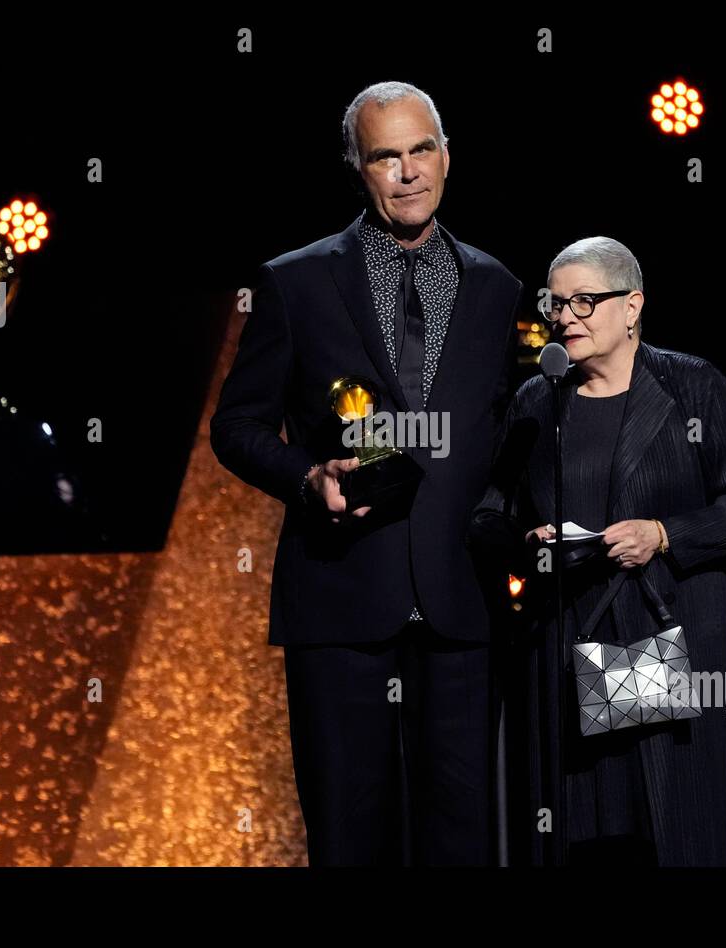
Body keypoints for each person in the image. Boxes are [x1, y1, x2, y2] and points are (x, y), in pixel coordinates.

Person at [210, 81, 523, 865]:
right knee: (349, 835)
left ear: (447, 157)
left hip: (462, 605)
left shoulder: (498, 287)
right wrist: (307, 477)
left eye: (422, 150)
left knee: (464, 836)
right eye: (387, 156)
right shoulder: (295, 280)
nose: (409, 171)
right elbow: (237, 427)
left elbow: (503, 437)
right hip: (341, 596)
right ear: (358, 168)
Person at [470, 236, 726, 866]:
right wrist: (530, 544)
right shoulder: (538, 401)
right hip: (567, 645)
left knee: (674, 835)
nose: (565, 317)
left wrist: (663, 534)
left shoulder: (692, 387)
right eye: (556, 304)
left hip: (666, 642)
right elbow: (486, 518)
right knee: (580, 846)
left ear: (632, 306)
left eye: (585, 301)